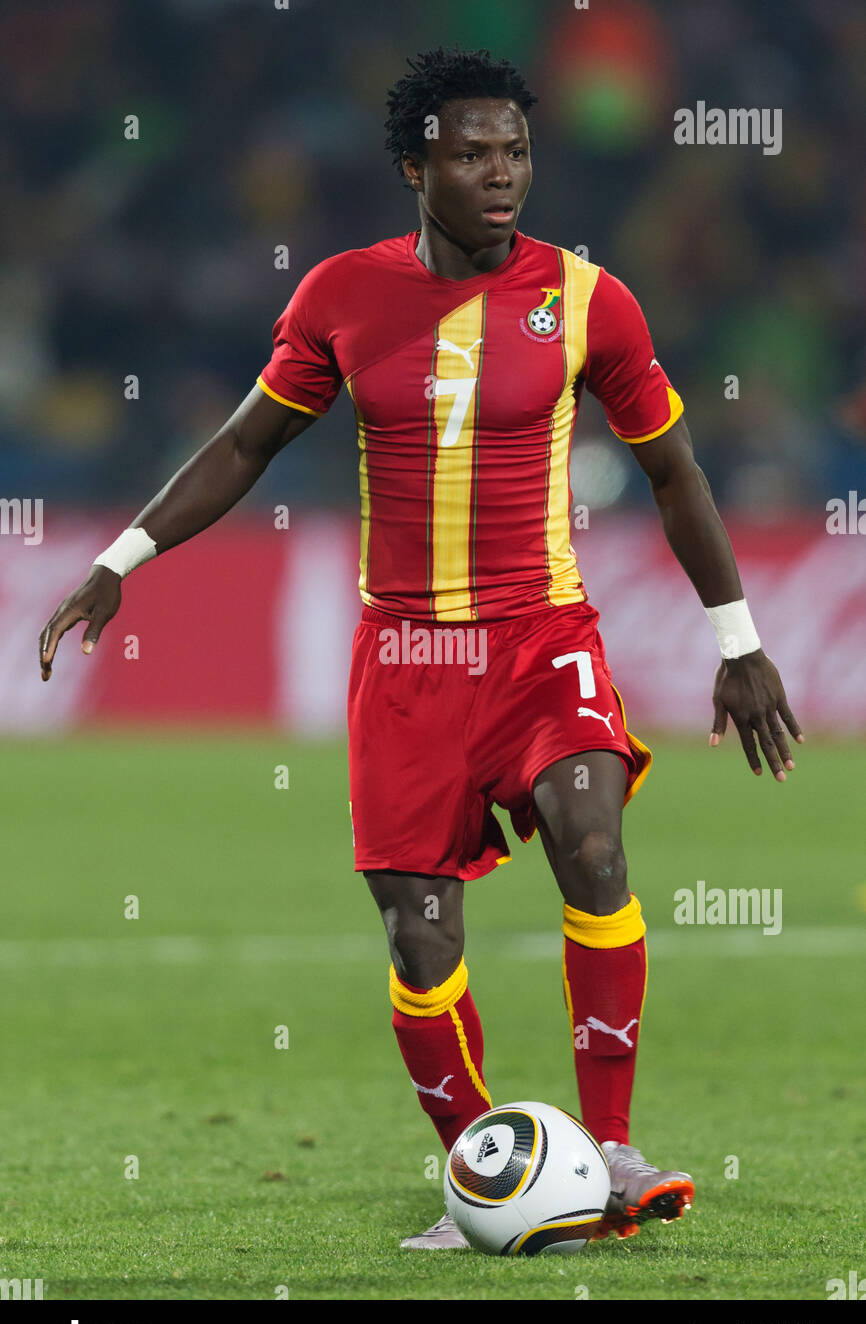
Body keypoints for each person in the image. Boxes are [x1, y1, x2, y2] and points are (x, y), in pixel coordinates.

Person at [39, 47, 802, 1250]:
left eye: (514, 152)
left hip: (540, 630)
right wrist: (120, 560)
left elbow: (671, 468)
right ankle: (481, 1170)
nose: (500, 175)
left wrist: (737, 639)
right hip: (403, 658)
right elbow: (244, 447)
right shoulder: (342, 296)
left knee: (590, 836)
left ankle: (607, 1146)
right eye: (470, 154)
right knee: (417, 930)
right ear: (415, 166)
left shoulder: (589, 299)